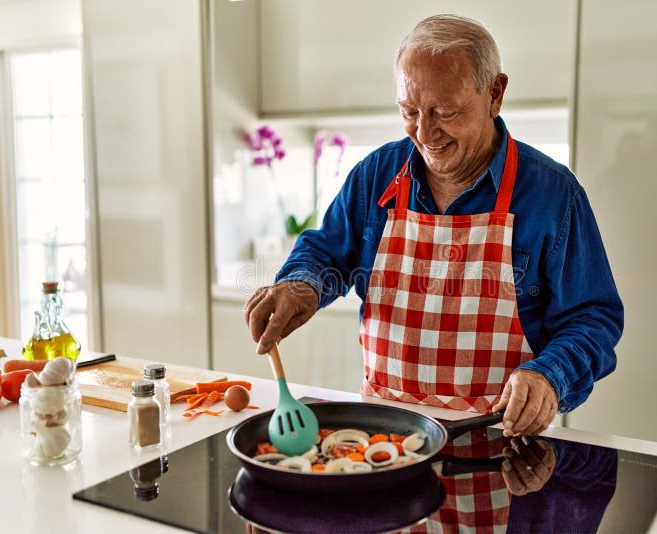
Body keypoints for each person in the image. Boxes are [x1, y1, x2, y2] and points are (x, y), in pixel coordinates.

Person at [244, 14, 623, 437]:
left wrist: (550, 376)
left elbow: (593, 318)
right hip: (382, 441)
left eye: (445, 111)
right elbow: (325, 253)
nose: (424, 133)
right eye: (409, 111)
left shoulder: (554, 196)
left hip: (499, 445)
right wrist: (302, 284)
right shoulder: (375, 175)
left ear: (495, 94)